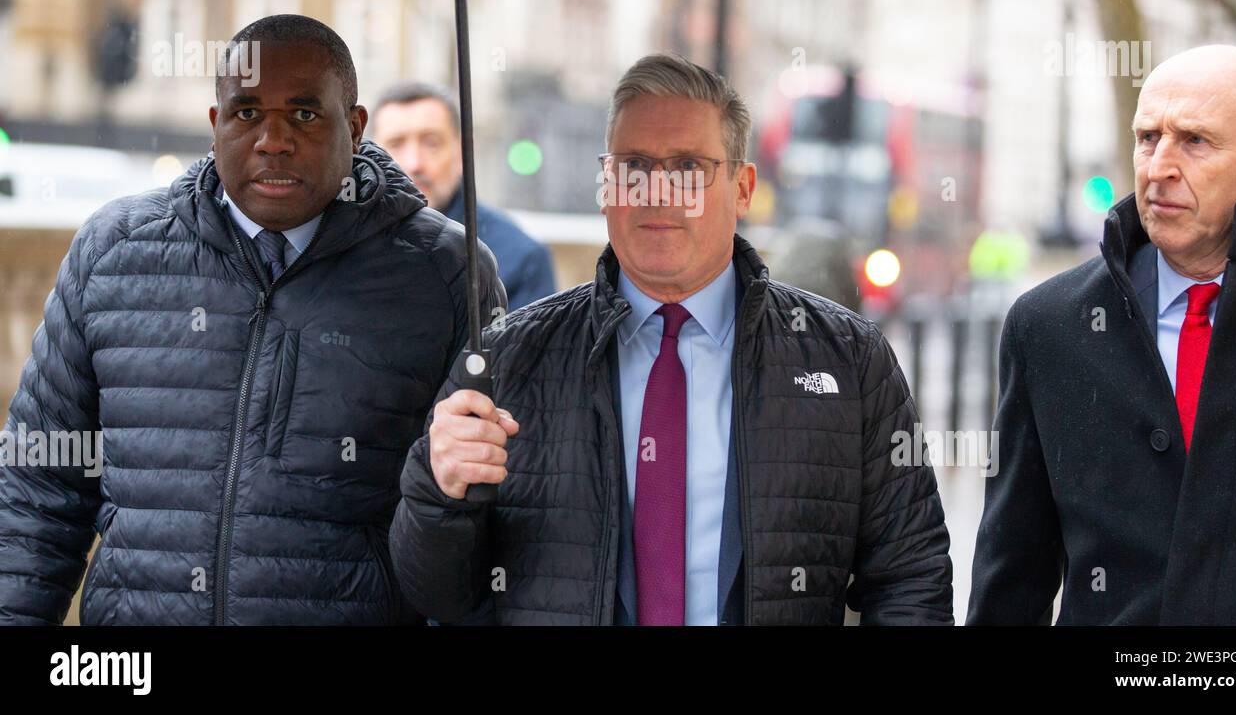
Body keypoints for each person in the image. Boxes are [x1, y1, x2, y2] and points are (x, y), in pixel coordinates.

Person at [389, 52, 953, 625]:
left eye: (687, 167)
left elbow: (911, 576)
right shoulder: (508, 358)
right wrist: (441, 495)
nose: (658, 192)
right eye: (635, 166)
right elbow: (435, 595)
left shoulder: (848, 359)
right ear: (606, 185)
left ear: (742, 188)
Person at [0, 14, 502, 625]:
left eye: (304, 114)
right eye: (246, 113)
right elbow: (37, 491)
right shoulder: (114, 251)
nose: (273, 139)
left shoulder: (445, 272)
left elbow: (483, 532)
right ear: (215, 127)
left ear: (357, 126)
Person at [969, 44, 1236, 625]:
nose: (1159, 166)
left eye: (1196, 141)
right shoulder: (1049, 326)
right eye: (1148, 137)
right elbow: (1011, 574)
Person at [370, 83, 556, 310]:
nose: (414, 163)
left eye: (432, 143)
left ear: (461, 152)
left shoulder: (521, 259)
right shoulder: (343, 246)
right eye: (396, 144)